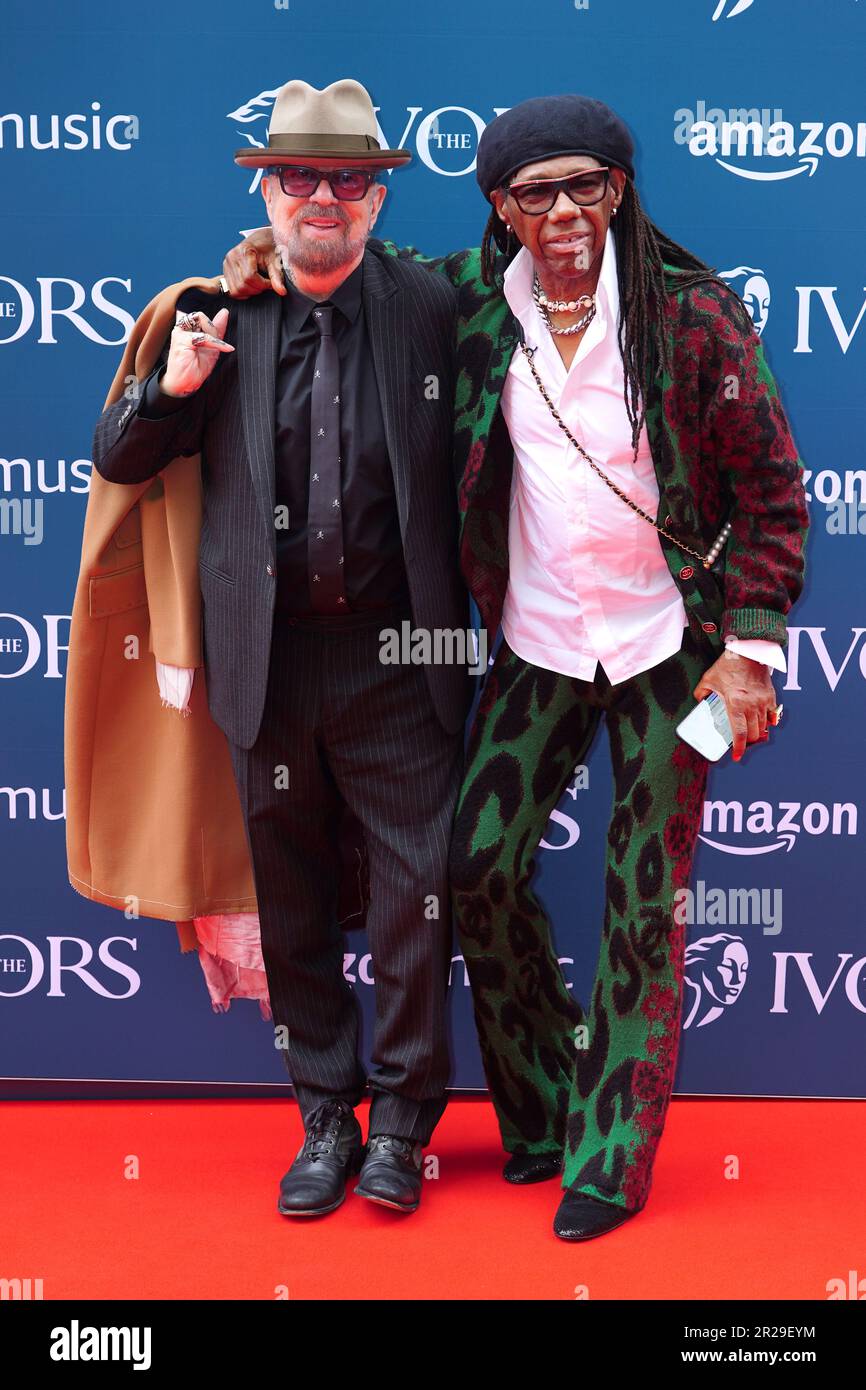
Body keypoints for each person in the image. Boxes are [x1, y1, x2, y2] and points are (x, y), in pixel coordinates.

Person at [224, 92, 809, 1240]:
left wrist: (747, 649)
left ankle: (610, 1155)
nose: (561, 212)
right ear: (499, 208)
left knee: (643, 905)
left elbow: (773, 496)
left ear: (619, 192)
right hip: (538, 643)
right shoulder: (470, 310)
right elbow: (354, 257)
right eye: (533, 192)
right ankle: (537, 1112)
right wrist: (259, 251)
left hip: (664, 654)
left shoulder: (695, 321)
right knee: (475, 870)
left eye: (584, 185)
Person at [91, 77, 473, 1220]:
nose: (324, 196)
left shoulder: (435, 307)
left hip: (400, 659)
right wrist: (175, 387)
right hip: (267, 661)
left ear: (376, 198)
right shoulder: (217, 311)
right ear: (265, 186)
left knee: (416, 902)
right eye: (300, 176)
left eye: (348, 179)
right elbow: (117, 456)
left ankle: (402, 1125)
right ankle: (323, 1118)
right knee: (293, 904)